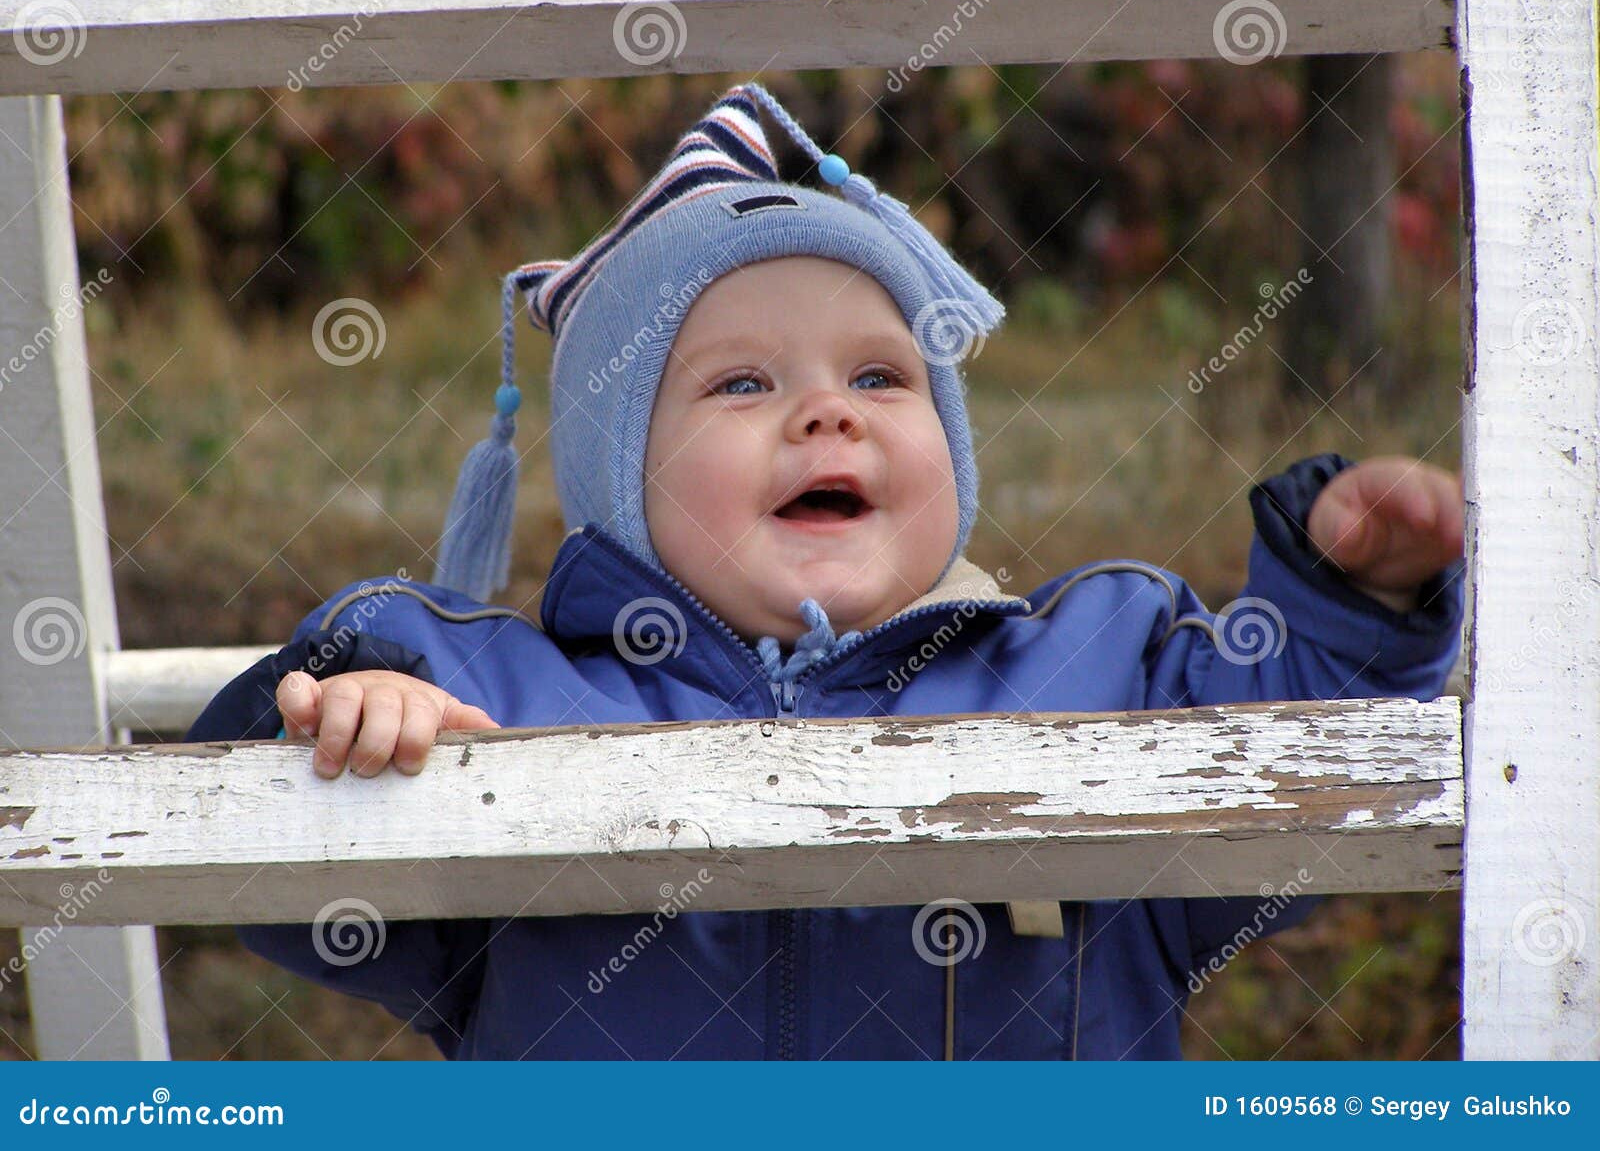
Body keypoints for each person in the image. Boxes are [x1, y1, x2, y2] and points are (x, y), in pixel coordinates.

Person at [187, 83, 1464, 1060]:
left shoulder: (1103, 668)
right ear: (618, 484)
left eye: (879, 377)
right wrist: (345, 709)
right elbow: (275, 883)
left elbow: (1305, 766)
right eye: (742, 383)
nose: (826, 414)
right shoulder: (495, 696)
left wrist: (1354, 593)